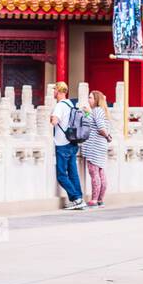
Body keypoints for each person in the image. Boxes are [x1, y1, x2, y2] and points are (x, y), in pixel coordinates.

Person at [50, 82, 86, 210]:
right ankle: (79, 198)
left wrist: (51, 117)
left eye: (54, 89)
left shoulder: (59, 105)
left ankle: (76, 198)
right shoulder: (70, 103)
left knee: (61, 175)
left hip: (62, 143)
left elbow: (54, 122)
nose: (53, 92)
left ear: (58, 91)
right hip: (72, 142)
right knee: (73, 173)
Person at [81, 90, 113, 207]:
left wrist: (107, 136)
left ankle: (94, 199)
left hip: (94, 146)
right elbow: (94, 123)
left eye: (90, 98)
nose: (88, 100)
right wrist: (87, 113)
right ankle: (100, 200)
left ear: (96, 100)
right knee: (100, 173)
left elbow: (100, 128)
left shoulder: (97, 111)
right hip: (100, 145)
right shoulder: (102, 111)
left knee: (94, 173)